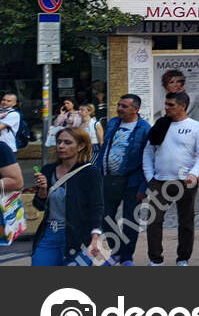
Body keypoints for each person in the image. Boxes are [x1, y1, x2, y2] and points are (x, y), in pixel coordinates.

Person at [141, 90, 199, 266]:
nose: (166, 107)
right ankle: (155, 259)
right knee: (153, 221)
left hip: (185, 181)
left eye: (171, 105)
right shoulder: (161, 125)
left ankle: (183, 258)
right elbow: (148, 151)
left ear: (183, 106)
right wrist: (150, 177)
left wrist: (194, 173)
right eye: (166, 104)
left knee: (186, 221)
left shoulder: (196, 127)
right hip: (160, 180)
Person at [30, 127, 103, 266]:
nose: (61, 146)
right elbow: (38, 205)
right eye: (59, 142)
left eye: (67, 142)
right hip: (50, 234)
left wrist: (95, 238)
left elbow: (96, 207)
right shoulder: (48, 170)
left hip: (78, 236)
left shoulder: (89, 172)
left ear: (81, 146)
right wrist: (42, 191)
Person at [95, 94, 151, 266]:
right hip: (109, 178)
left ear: (136, 109)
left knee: (130, 221)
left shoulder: (144, 128)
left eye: (124, 106)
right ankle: (117, 251)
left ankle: (127, 257)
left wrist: (143, 186)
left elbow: (148, 158)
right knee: (104, 216)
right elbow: (105, 147)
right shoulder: (113, 123)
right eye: (119, 105)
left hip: (132, 181)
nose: (119, 108)